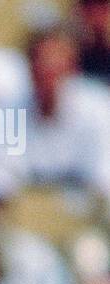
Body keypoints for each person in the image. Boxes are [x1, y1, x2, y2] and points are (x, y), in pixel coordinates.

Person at [20, 26, 110, 198]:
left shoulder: (101, 110)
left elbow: (103, 182)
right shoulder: (12, 110)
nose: (48, 76)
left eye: (55, 69)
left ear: (73, 70)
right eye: (42, 67)